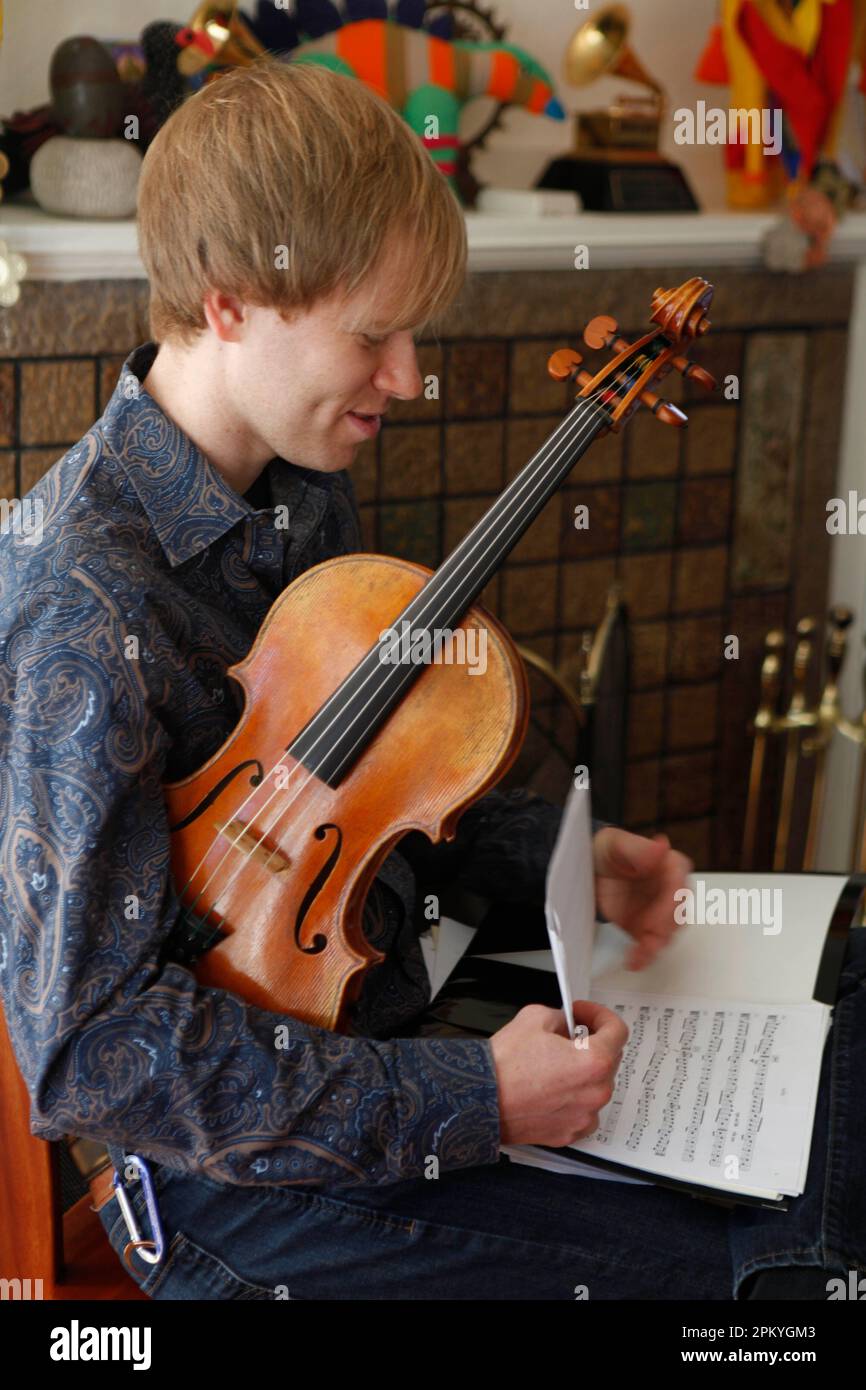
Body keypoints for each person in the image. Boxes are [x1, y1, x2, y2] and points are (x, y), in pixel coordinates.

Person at [1, 60, 864, 1301]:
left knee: (842, 995)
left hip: (386, 1036)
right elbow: (94, 1054)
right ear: (229, 303)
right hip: (231, 1187)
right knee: (776, 1271)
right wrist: (479, 1095)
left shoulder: (297, 490)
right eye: (373, 335)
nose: (407, 380)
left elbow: (358, 802)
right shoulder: (77, 604)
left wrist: (564, 856)